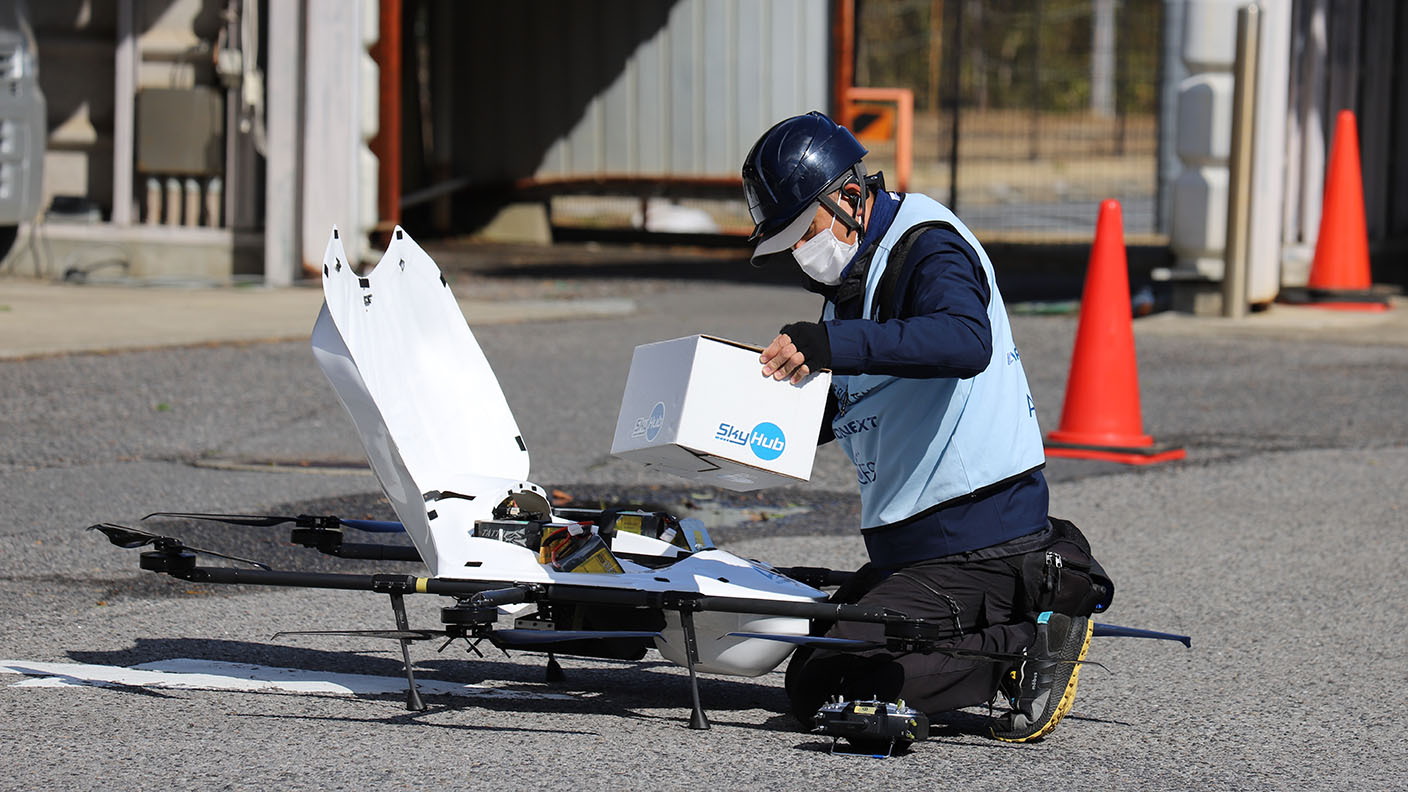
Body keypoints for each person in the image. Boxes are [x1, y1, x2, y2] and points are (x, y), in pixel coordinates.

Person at [742, 111, 1110, 742]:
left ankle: (1027, 637)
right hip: (914, 548)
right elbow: (860, 396)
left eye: (805, 232)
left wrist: (831, 345)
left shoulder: (928, 244)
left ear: (850, 196)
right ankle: (1013, 615)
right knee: (811, 663)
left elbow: (965, 341)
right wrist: (742, 435)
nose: (801, 255)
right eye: (788, 246)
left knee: (832, 685)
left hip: (979, 537)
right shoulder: (851, 281)